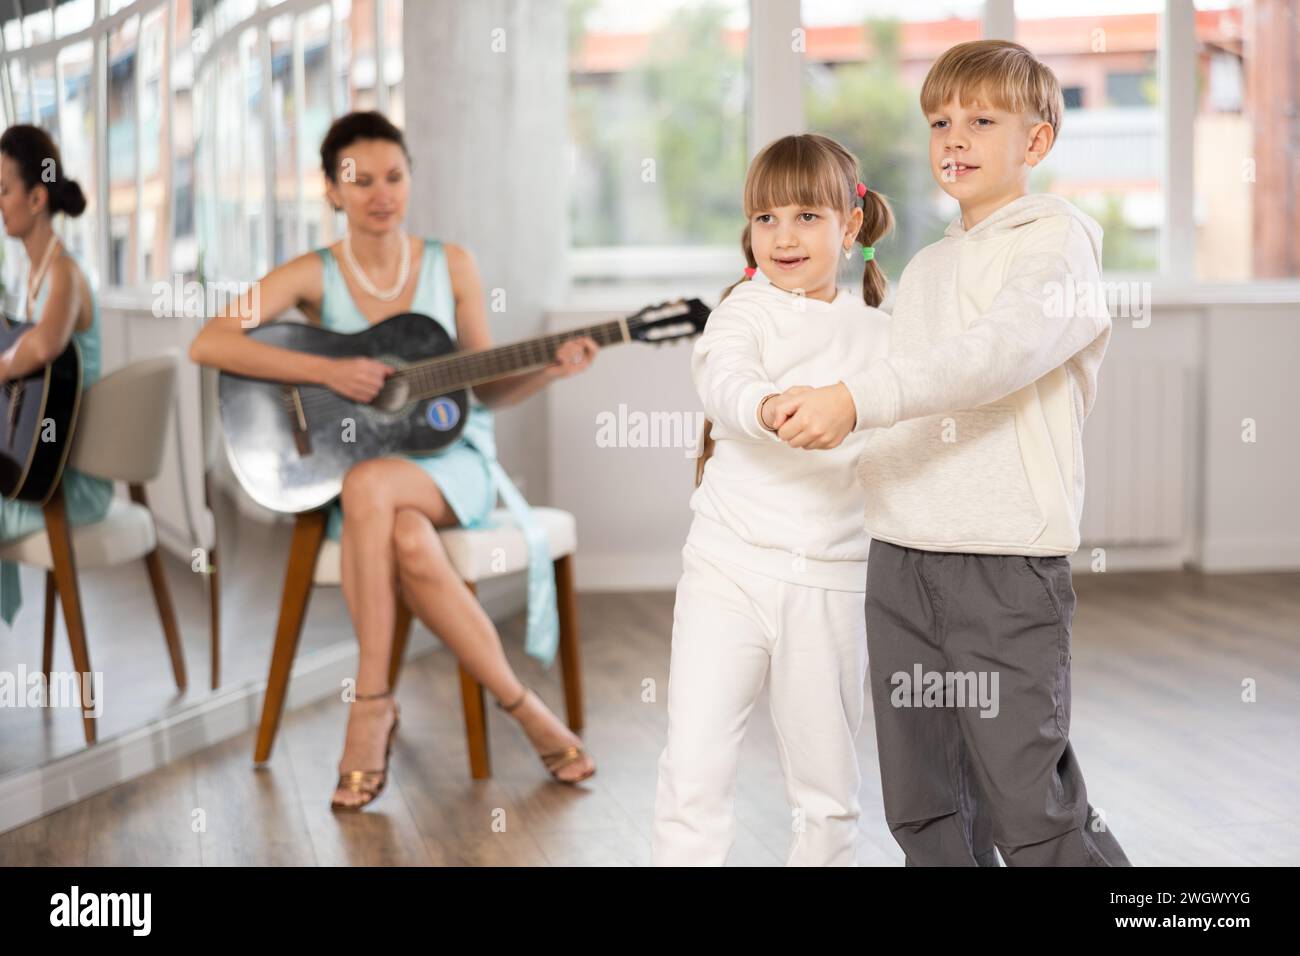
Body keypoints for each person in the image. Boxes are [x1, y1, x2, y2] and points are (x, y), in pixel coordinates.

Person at [770, 41, 1129, 866]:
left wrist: (856, 399)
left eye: (981, 120)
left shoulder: (1057, 244)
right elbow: (895, 383)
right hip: (901, 556)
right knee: (925, 803)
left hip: (1003, 564)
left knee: (1026, 799)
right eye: (939, 121)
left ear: (1035, 143)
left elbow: (993, 357)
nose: (954, 139)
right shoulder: (929, 265)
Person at [190, 111, 597, 811]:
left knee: (372, 485)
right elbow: (211, 342)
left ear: (410, 179)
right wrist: (326, 373)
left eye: (395, 176)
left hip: (453, 461)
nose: (381, 193)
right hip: (369, 484)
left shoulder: (453, 265)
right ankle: (527, 709)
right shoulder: (314, 273)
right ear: (332, 192)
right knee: (402, 530)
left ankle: (369, 704)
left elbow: (485, 388)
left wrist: (548, 372)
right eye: (361, 180)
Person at [651, 134, 893, 866]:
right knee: (692, 769)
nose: (783, 236)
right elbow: (724, 377)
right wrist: (766, 407)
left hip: (830, 580)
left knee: (825, 790)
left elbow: (902, 427)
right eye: (766, 218)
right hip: (728, 568)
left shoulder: (881, 335)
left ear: (850, 228)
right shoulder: (743, 310)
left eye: (807, 217)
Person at [0, 124, 113, 628]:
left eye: (4, 189)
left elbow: (45, 345)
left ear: (36, 196)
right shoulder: (34, 274)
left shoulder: (64, 272)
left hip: (71, 479)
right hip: (46, 463)